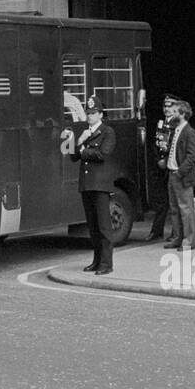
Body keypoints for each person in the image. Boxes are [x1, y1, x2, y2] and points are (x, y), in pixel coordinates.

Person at [71, 96, 119, 275]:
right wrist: (79, 142)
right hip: (87, 184)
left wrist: (84, 150)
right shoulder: (85, 133)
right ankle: (97, 260)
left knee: (104, 226)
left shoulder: (107, 132)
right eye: (88, 113)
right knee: (92, 225)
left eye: (93, 113)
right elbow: (73, 157)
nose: (89, 116)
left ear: (100, 114)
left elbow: (102, 154)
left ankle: (107, 263)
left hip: (100, 184)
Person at [163, 100, 195, 250]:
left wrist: (180, 172)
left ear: (183, 114)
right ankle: (177, 237)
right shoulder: (175, 130)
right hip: (172, 174)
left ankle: (188, 240)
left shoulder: (189, 132)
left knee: (186, 209)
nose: (173, 114)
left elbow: (192, 156)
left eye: (176, 112)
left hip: (181, 176)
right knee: (174, 208)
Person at [147, 94, 180, 241]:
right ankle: (157, 230)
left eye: (170, 106)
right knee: (160, 200)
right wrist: (158, 159)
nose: (167, 109)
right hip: (159, 166)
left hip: (171, 166)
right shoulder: (160, 123)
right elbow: (156, 143)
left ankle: (176, 232)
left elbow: (176, 145)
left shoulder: (179, 123)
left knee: (175, 202)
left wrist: (166, 160)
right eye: (165, 106)